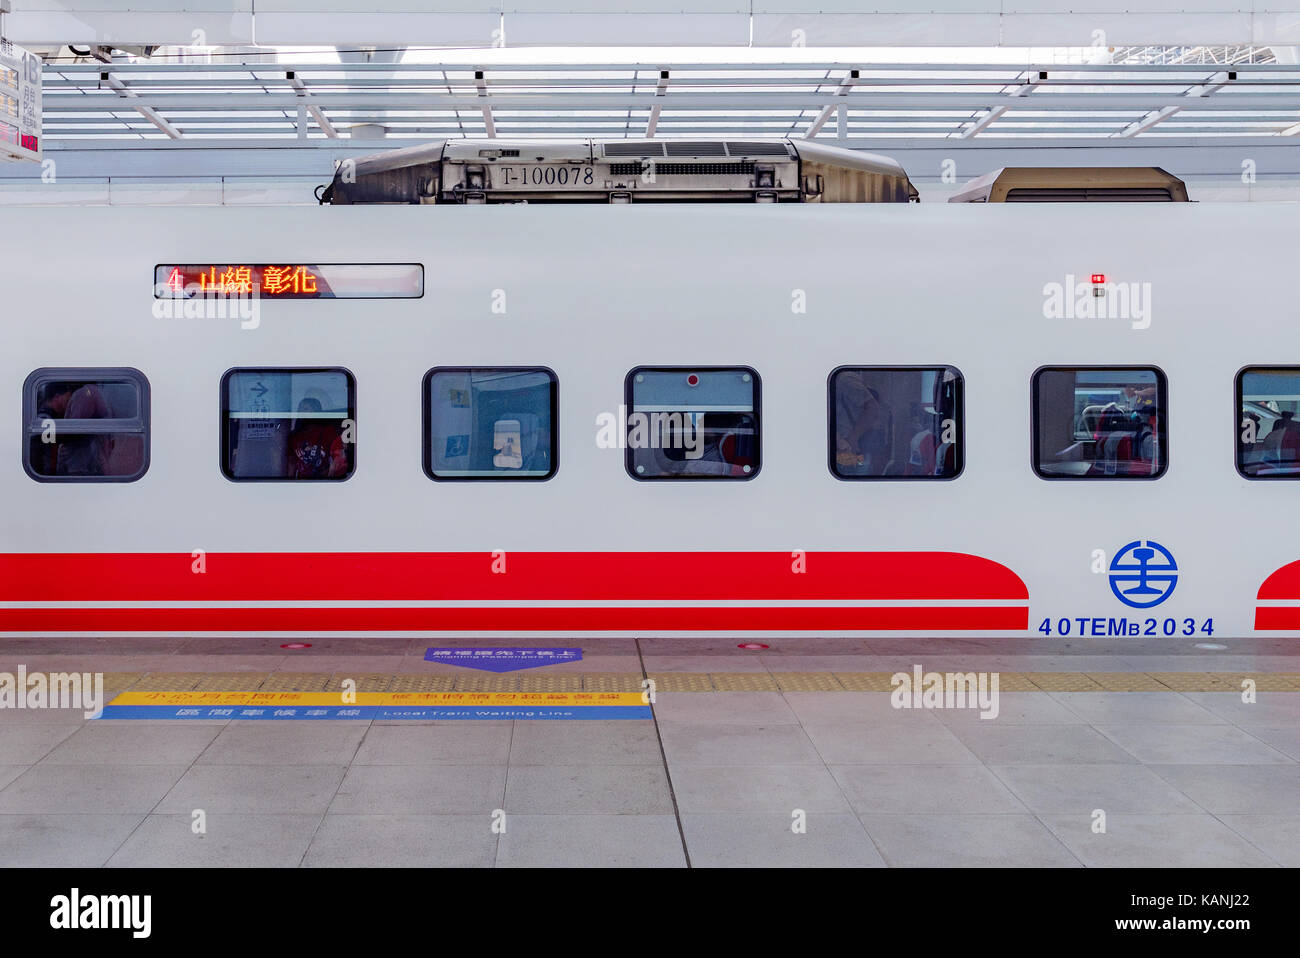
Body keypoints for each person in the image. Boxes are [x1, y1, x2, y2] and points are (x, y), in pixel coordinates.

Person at [287, 396, 348, 478]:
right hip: (302, 483)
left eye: (306, 409)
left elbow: (337, 458)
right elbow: (292, 463)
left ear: (316, 412)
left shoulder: (327, 432)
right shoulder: (294, 436)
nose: (301, 412)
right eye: (299, 409)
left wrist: (330, 479)